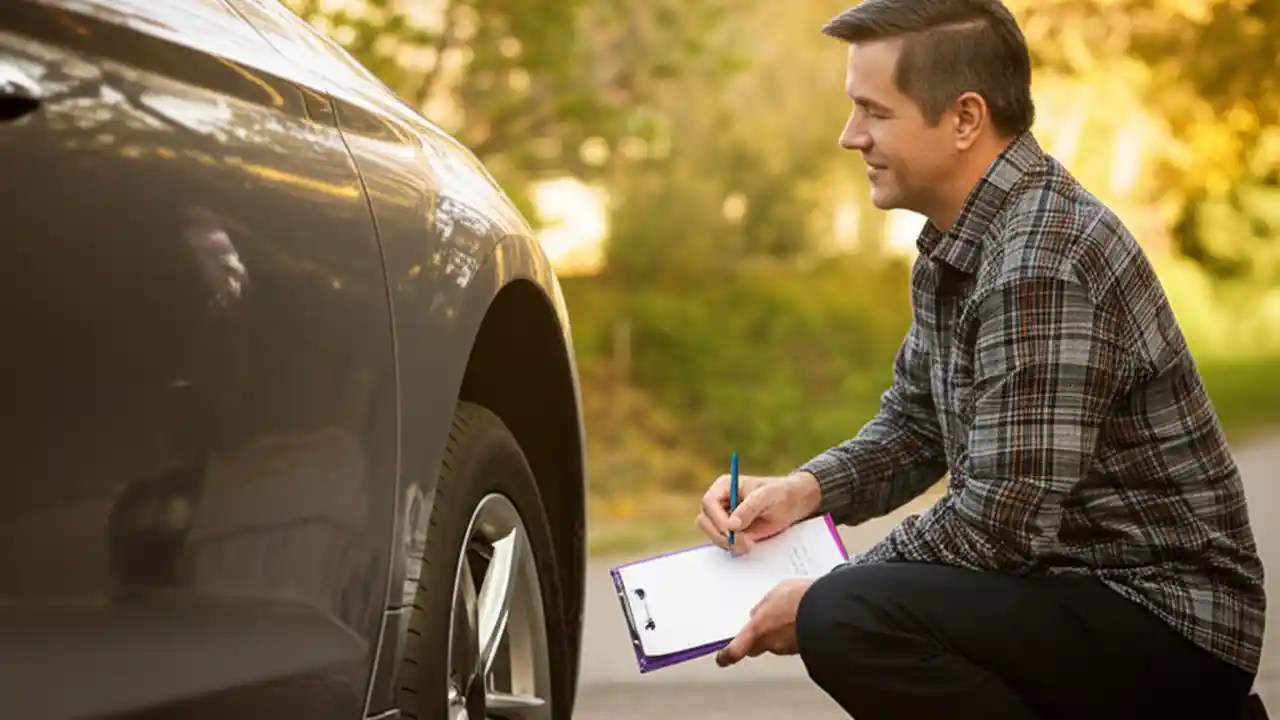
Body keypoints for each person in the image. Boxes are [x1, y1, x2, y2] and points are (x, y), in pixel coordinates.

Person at [693, 1, 1267, 718]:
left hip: (1163, 615)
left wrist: (817, 597)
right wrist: (801, 492)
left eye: (874, 111)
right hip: (1070, 589)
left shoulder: (1042, 259)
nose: (850, 136)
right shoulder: (963, 243)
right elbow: (915, 427)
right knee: (848, 607)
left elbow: (998, 523)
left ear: (965, 118)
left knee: (847, 618)